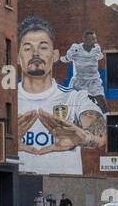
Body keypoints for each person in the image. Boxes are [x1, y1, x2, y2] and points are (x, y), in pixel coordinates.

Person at [17, 16, 107, 174]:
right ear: (18, 57)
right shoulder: (6, 100)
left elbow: (100, 131)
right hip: (13, 185)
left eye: (43, 47)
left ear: (56, 55)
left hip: (67, 191)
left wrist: (83, 138)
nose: (35, 53)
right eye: (27, 48)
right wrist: (8, 140)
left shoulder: (75, 97)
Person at [63, 30, 109, 113]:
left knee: (104, 106)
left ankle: (109, 124)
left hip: (94, 82)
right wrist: (62, 58)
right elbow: (66, 59)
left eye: (95, 39)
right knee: (80, 107)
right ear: (85, 39)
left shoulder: (97, 48)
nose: (94, 41)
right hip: (80, 83)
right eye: (92, 39)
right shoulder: (76, 48)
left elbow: (100, 57)